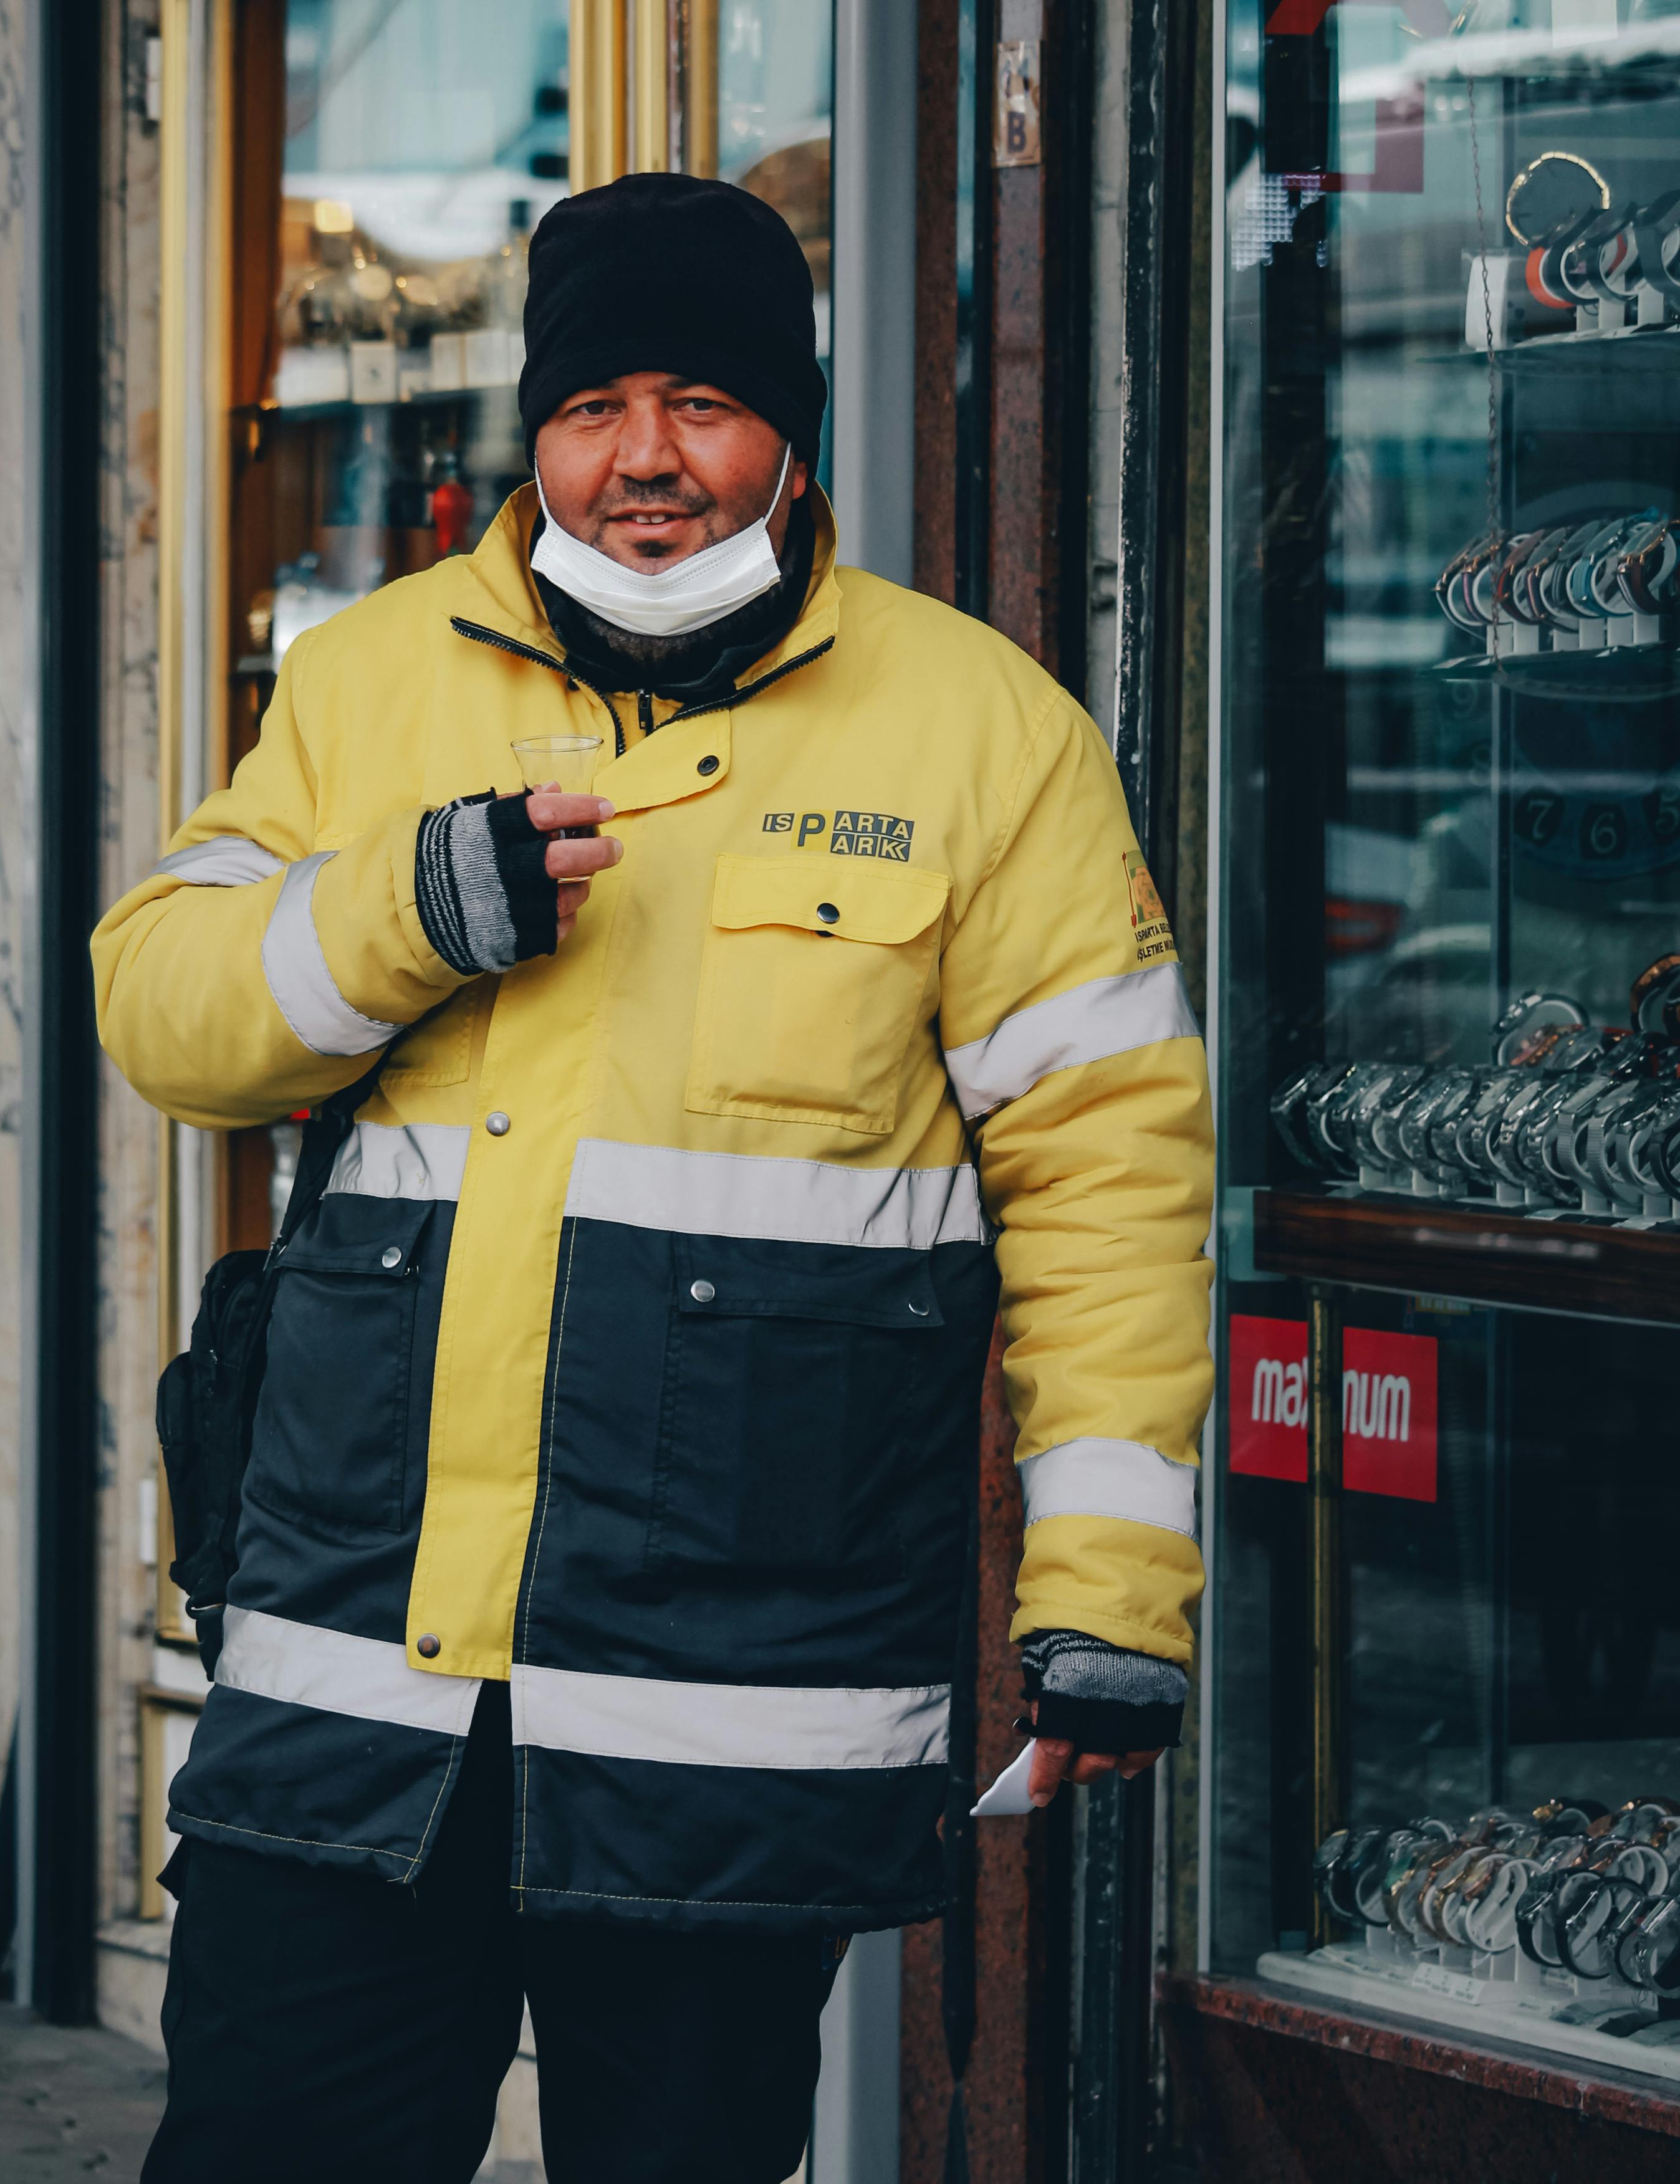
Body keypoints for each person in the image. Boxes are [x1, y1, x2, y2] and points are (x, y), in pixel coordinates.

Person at [93, 172, 1214, 2184]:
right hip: (362, 1673)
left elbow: (1110, 1180)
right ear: (535, 432)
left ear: (790, 431)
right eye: (597, 407)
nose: (645, 464)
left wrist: (1108, 1590)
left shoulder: (984, 733)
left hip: (731, 1698)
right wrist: (406, 910)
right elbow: (167, 1015)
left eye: (702, 404)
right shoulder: (371, 679)